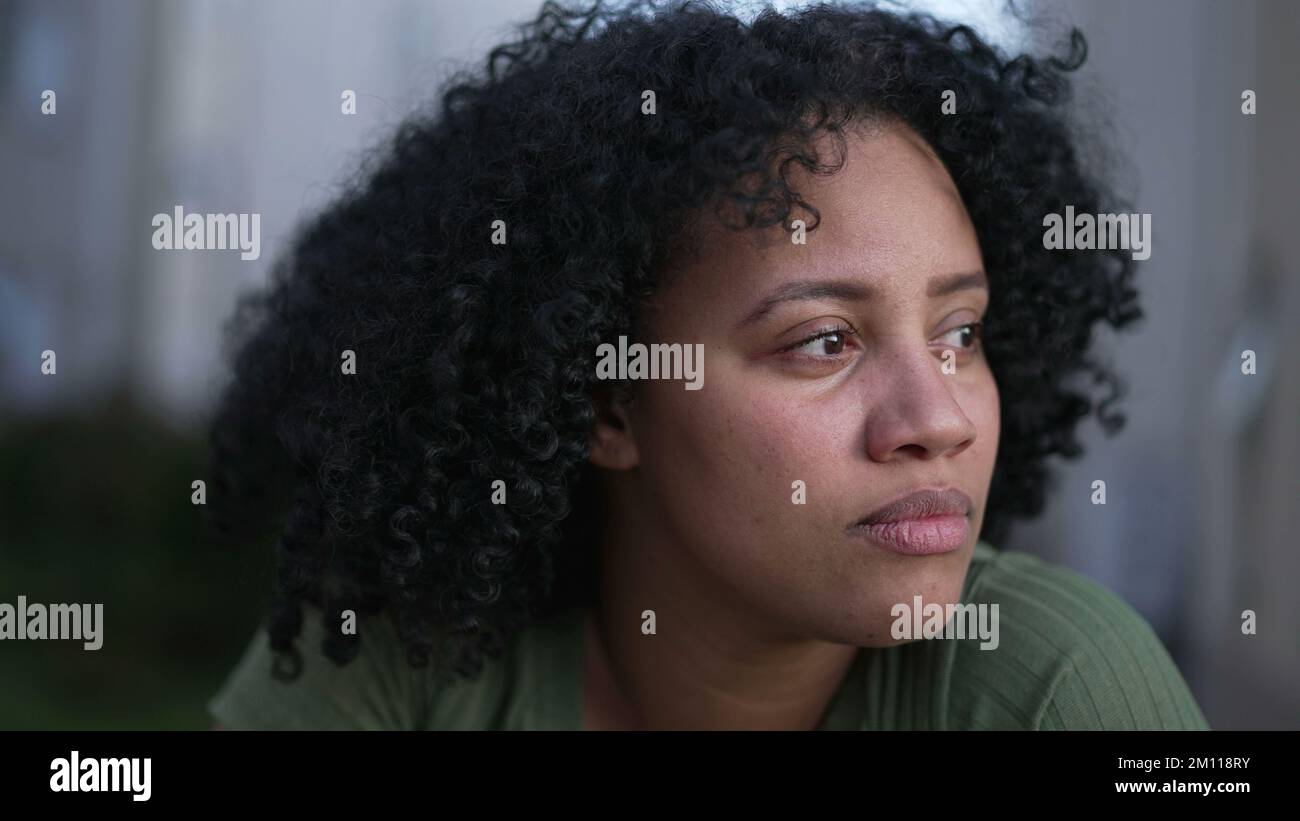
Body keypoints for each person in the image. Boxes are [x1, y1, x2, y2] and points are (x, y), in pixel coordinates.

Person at [205, 0, 1208, 730]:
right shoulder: (403, 659)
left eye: (959, 333)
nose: (935, 416)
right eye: (824, 339)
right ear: (605, 402)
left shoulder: (1059, 685)